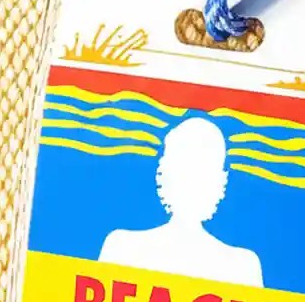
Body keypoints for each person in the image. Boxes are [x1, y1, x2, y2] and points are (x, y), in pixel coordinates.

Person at [98, 117, 263, 287]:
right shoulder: (122, 247)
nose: (192, 181)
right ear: (164, 171)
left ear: (220, 180)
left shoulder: (242, 266)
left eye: (202, 170)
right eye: (185, 168)